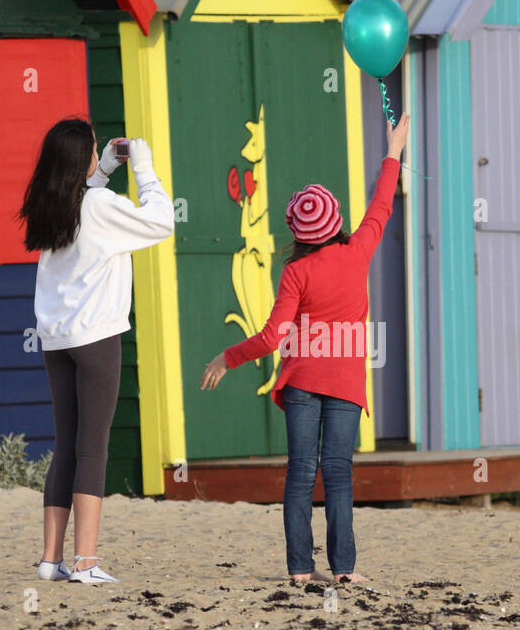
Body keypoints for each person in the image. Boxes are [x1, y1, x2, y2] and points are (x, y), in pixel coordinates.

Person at [201, 114, 410, 583]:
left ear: (298, 233)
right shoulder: (357, 252)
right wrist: (393, 151)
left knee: (299, 475)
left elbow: (273, 337)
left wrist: (227, 357)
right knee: (337, 473)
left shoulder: (295, 272)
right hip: (344, 387)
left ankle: (299, 570)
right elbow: (381, 206)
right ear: (335, 222)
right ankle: (344, 571)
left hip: (300, 385)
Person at [21, 118, 174, 584]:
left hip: (57, 340)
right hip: (97, 337)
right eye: (93, 150)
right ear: (83, 157)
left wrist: (103, 172)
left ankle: (51, 560)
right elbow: (162, 220)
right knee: (94, 448)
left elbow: (83, 200)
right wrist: (144, 169)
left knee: (66, 445)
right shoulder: (101, 206)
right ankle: (86, 560)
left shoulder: (49, 204)